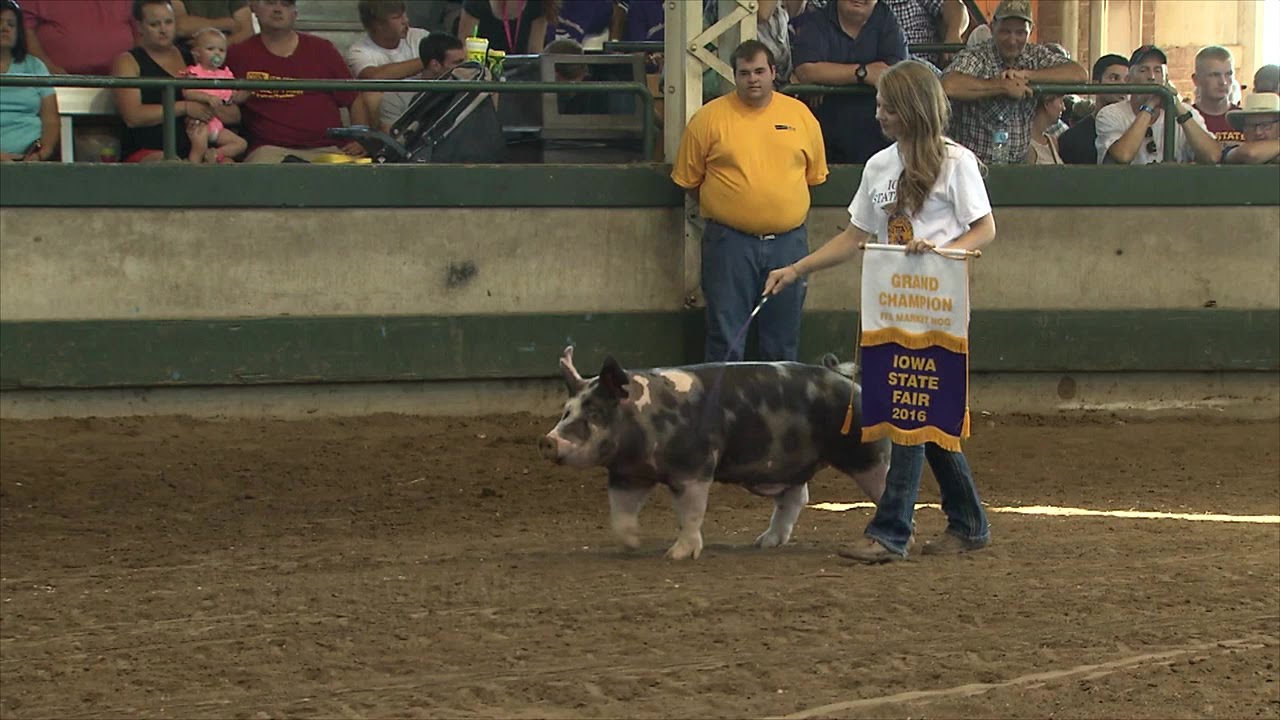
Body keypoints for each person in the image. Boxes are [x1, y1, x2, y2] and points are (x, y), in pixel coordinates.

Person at [763, 59, 995, 563]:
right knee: (925, 416)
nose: (879, 114)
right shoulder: (879, 167)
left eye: (887, 106)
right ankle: (969, 522)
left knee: (908, 415)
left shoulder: (958, 163)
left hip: (937, 310)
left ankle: (891, 531)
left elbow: (984, 229)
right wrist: (797, 269)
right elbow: (854, 237)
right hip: (891, 306)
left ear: (909, 110)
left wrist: (942, 252)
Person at [671, 39, 828, 364]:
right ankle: (723, 398)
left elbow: (813, 177)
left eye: (759, 71)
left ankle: (777, 399)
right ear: (735, 76)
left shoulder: (801, 116)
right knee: (725, 335)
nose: (752, 79)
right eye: (744, 73)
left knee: (783, 338)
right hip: (729, 243)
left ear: (773, 72)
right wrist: (732, 207)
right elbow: (689, 181)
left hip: (788, 244)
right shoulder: (708, 119)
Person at [112, 0, 238, 163]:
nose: (163, 29)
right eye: (154, 24)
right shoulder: (128, 61)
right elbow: (133, 116)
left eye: (169, 22)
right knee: (170, 166)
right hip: (149, 149)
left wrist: (210, 106)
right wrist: (184, 107)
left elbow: (234, 114)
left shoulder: (195, 57)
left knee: (229, 165)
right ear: (139, 26)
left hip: (199, 147)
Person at [1095, 45, 1219, 165]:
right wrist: (1149, 106)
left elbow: (1213, 156)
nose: (1152, 77)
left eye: (1158, 70)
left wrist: (1177, 107)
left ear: (1166, 78)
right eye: (1143, 70)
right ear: (1129, 79)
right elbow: (1124, 155)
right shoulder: (1110, 114)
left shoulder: (1186, 111)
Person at [346, 0, 432, 132]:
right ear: (377, 25)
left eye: (404, 14)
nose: (406, 21)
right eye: (397, 17)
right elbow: (373, 77)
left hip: (424, 101)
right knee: (370, 96)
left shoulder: (421, 37)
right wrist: (429, 59)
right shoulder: (358, 51)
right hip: (389, 110)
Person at [0, 0, 60, 162]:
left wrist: (42, 154)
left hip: (30, 160)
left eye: (11, 24)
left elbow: (50, 119)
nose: (4, 28)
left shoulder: (35, 66)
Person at [182, 26, 247, 162]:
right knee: (199, 147)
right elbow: (187, 92)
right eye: (210, 49)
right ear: (197, 53)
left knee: (241, 144)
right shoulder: (195, 72)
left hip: (217, 125)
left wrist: (247, 92)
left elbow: (233, 96)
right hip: (200, 122)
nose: (217, 53)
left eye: (221, 50)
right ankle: (192, 169)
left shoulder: (226, 75)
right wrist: (207, 98)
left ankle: (215, 154)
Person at [1222, 92, 1280, 165]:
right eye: (1251, 126)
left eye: (1265, 125)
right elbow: (1250, 154)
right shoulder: (1233, 151)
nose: (1258, 132)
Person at [1023, 93, 1063, 164]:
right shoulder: (1025, 146)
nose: (1063, 108)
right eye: (1061, 102)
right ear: (1047, 104)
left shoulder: (1052, 142)